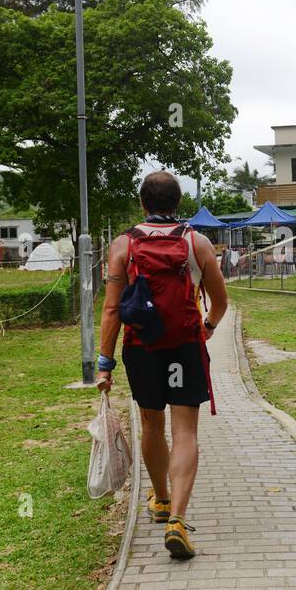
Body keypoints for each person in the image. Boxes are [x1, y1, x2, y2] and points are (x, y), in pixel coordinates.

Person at [96, 171, 228, 559]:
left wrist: (104, 365)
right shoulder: (196, 242)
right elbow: (220, 302)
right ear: (178, 203)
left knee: (152, 424)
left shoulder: (123, 245)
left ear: (142, 204)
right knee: (185, 430)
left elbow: (110, 309)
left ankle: (162, 500)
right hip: (185, 345)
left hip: (142, 347)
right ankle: (179, 520)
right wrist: (206, 329)